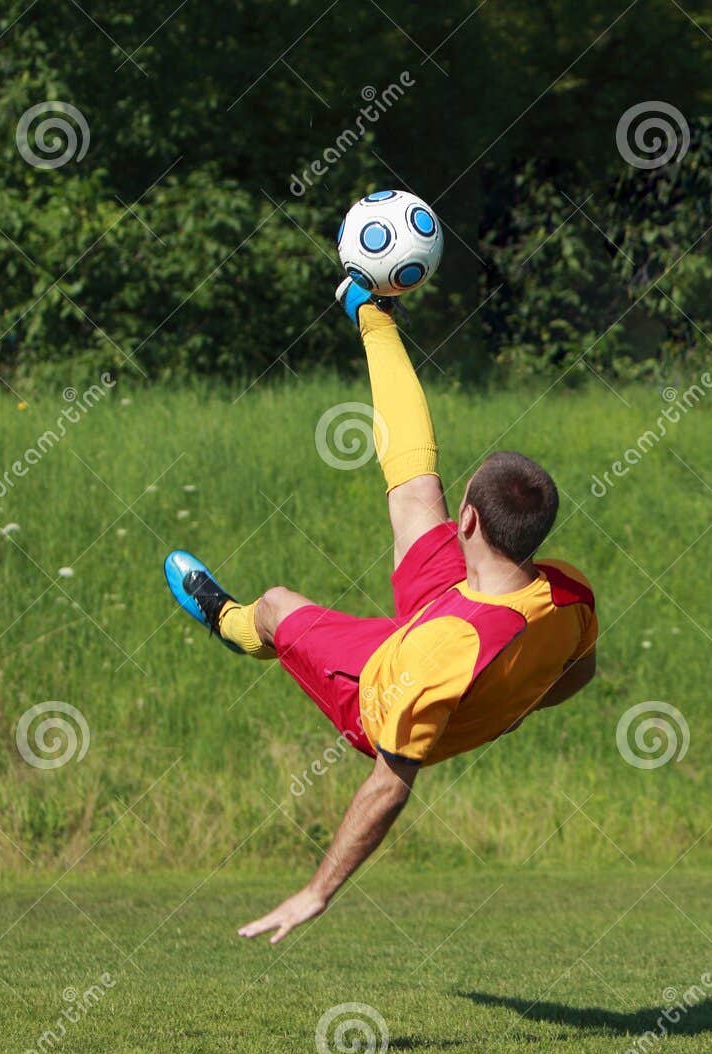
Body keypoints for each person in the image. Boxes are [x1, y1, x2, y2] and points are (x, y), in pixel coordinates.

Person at [164, 277, 598, 943]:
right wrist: (514, 702)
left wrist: (316, 892)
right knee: (415, 489)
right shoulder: (568, 591)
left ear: (472, 518)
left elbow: (388, 785)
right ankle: (373, 314)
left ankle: (228, 622)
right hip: (454, 604)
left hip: (380, 685)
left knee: (278, 606)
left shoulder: (439, 660)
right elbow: (579, 674)